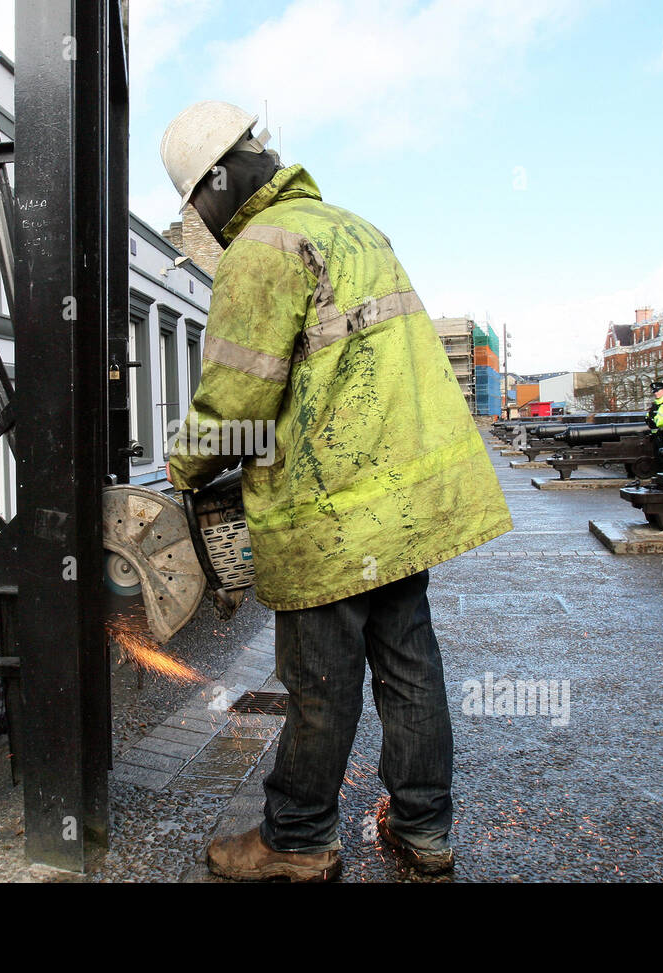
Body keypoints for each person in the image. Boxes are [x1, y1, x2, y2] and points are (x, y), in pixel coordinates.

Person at [159, 101, 512, 881]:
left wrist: (182, 468)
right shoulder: (354, 229)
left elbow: (236, 406)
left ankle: (298, 838)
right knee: (410, 666)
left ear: (211, 186)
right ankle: (425, 830)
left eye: (196, 209)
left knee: (320, 683)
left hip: (329, 515)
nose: (205, 226)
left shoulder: (261, 249)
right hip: (399, 508)